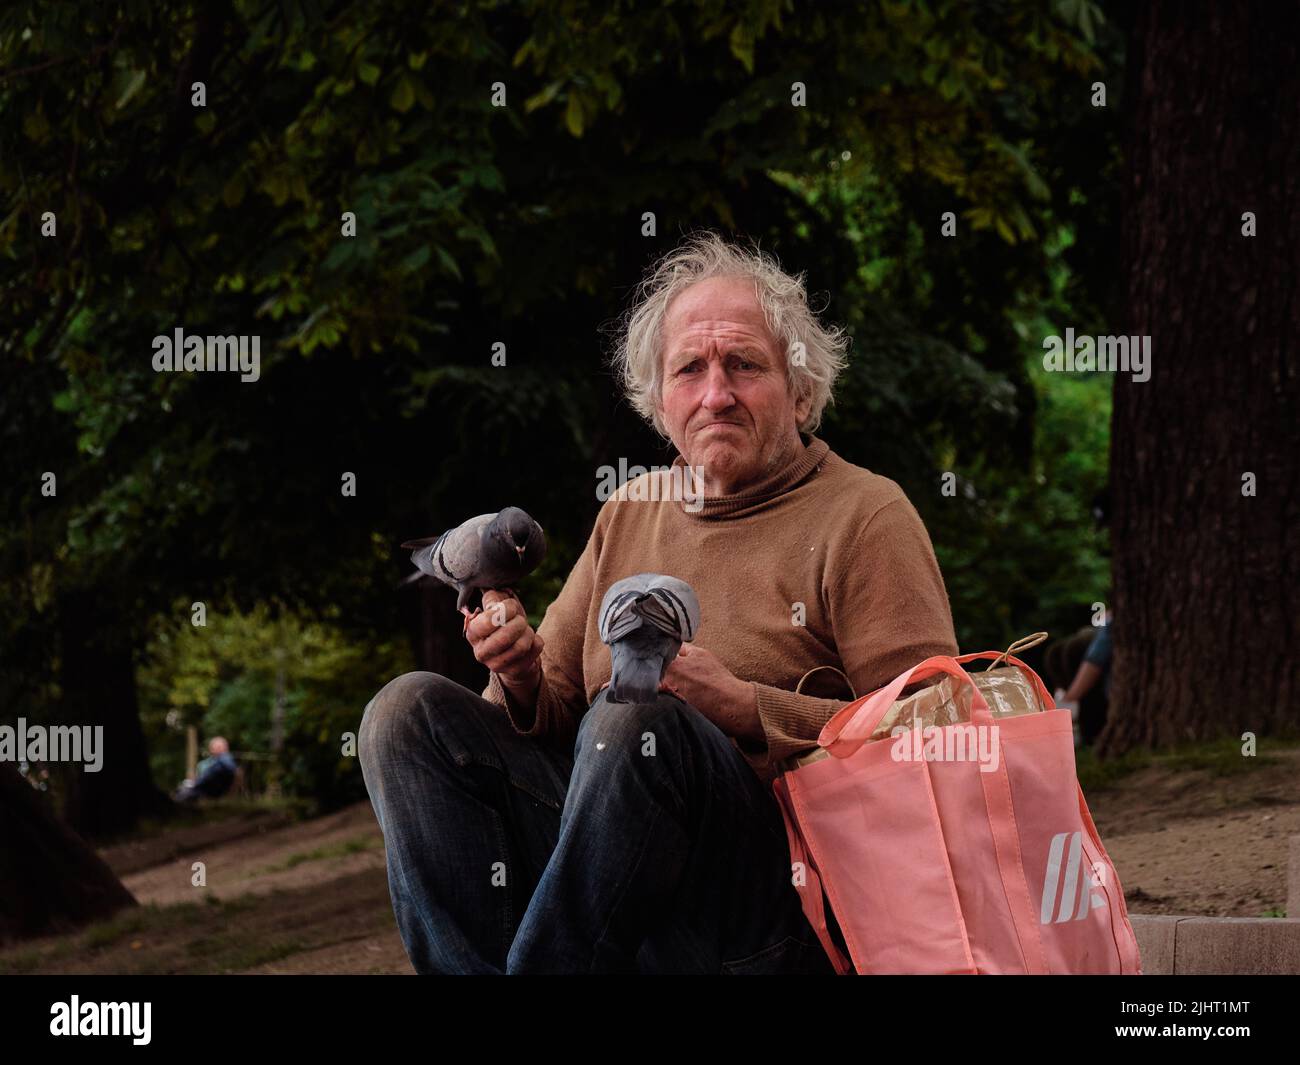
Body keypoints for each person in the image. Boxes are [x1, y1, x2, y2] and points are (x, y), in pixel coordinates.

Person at [359, 232, 958, 974]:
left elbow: (938, 732)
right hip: (615, 894)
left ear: (802, 389)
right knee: (405, 712)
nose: (716, 394)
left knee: (640, 717)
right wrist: (516, 675)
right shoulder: (632, 510)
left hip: (774, 914)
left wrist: (743, 705)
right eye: (690, 370)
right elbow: (555, 714)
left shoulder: (867, 515)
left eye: (744, 364)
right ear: (658, 400)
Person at [173, 736, 238, 803]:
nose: (212, 749)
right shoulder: (220, 761)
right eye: (212, 747)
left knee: (183, 792)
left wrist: (195, 784)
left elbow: (208, 777)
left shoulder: (224, 760)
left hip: (209, 791)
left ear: (223, 747)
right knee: (183, 789)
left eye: (214, 747)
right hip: (207, 789)